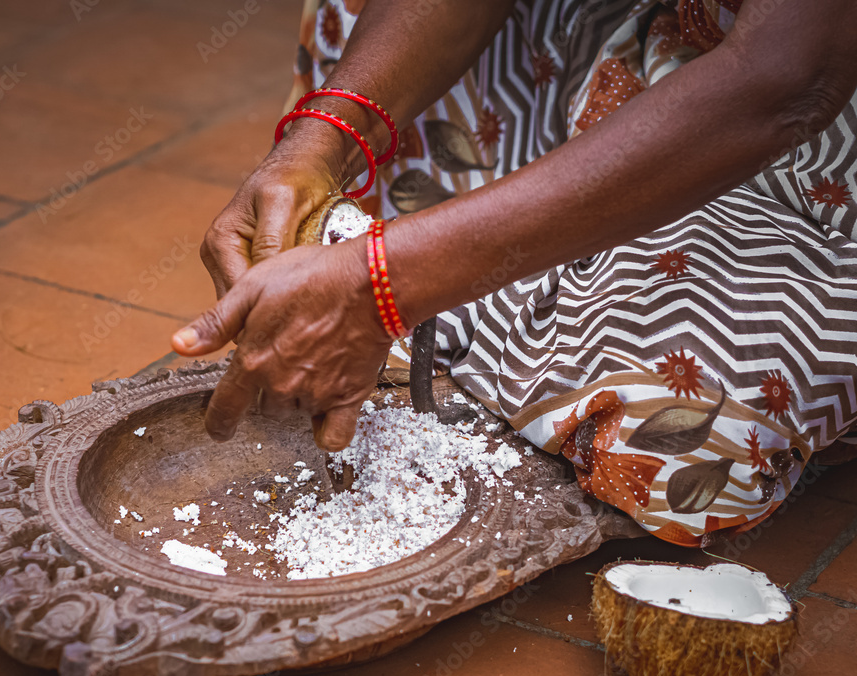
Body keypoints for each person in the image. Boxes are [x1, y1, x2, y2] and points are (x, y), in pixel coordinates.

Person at [171, 0, 857, 548]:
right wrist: (323, 139)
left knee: (684, 450)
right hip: (611, 60)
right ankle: (462, 286)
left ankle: (436, 289)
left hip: (790, 151)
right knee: (352, 18)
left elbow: (788, 79)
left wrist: (382, 280)